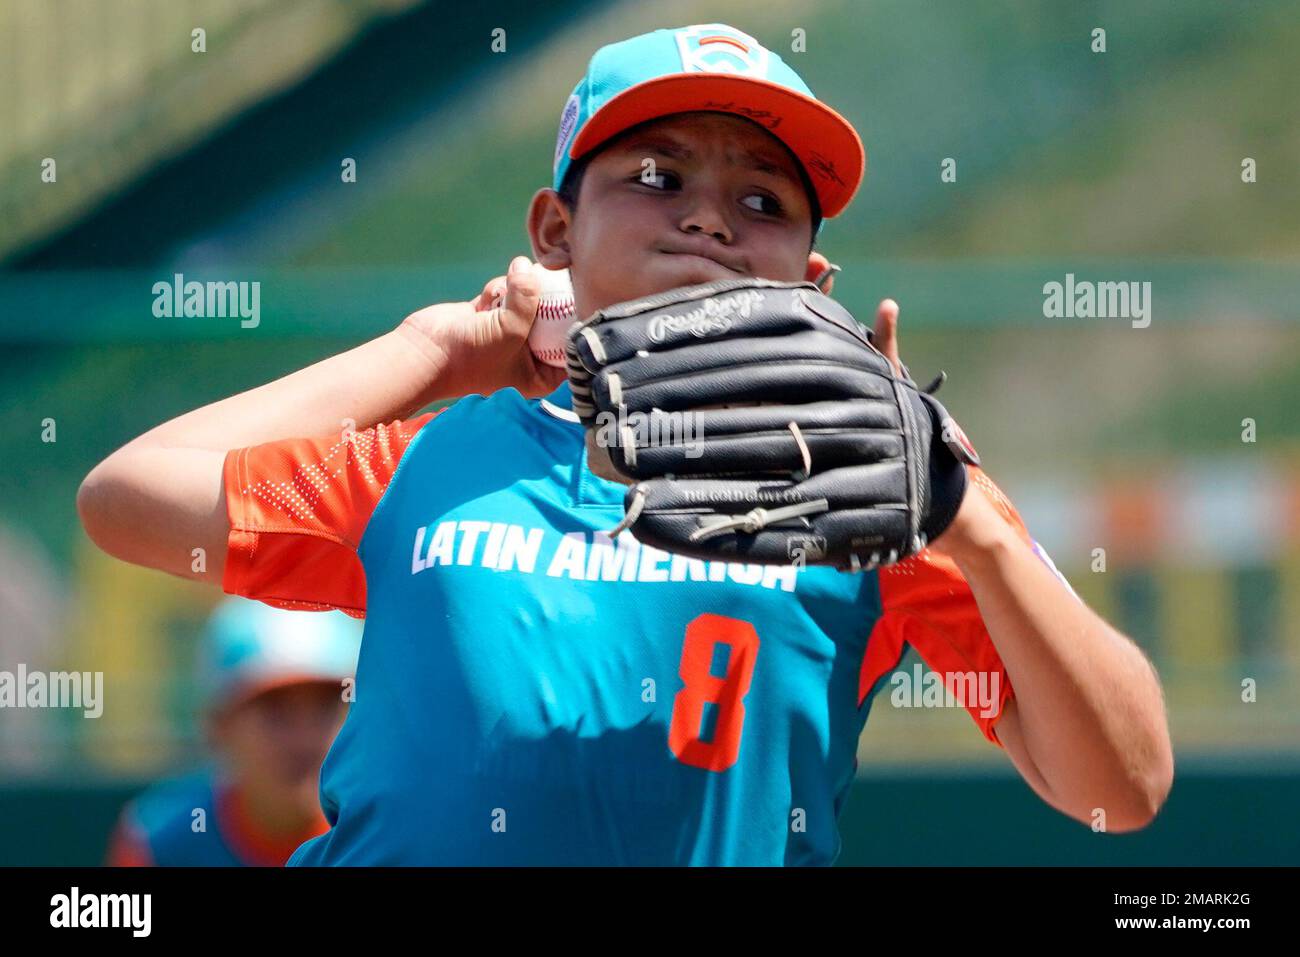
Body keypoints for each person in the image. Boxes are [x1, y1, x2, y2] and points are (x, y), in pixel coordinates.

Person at [79, 22, 1172, 865]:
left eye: (761, 199)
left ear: (809, 276)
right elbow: (126, 498)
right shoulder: (431, 460)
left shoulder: (878, 491)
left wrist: (967, 521)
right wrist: (438, 350)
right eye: (657, 177)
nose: (707, 219)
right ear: (555, 232)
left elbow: (1118, 789)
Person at [105, 598, 361, 866]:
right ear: (218, 726)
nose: (304, 739)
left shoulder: (386, 834)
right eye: (276, 713)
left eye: (325, 709)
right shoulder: (158, 841)